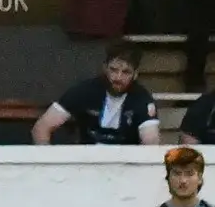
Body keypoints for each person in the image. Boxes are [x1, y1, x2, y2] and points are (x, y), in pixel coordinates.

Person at [32, 43, 161, 146]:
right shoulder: (85, 91)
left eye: (126, 72)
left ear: (136, 74)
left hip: (124, 167)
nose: (118, 77)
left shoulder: (142, 99)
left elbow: (151, 143)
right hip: (86, 164)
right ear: (104, 68)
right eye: (113, 70)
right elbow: (41, 128)